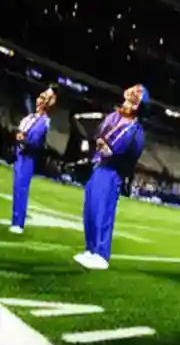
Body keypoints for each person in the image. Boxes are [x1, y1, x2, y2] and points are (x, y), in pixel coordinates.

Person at [74, 85, 147, 270]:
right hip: (98, 166)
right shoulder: (113, 117)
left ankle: (102, 254)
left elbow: (132, 155)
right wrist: (98, 142)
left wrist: (113, 155)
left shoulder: (135, 129)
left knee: (103, 211)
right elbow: (99, 134)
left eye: (133, 98)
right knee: (90, 209)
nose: (127, 101)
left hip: (112, 171)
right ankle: (90, 249)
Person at [10, 86, 56, 235]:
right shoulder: (31, 117)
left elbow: (36, 141)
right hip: (21, 155)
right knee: (17, 188)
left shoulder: (44, 121)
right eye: (40, 97)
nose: (38, 100)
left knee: (21, 189)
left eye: (42, 98)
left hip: (28, 157)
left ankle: (18, 223)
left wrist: (24, 140)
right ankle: (15, 219)